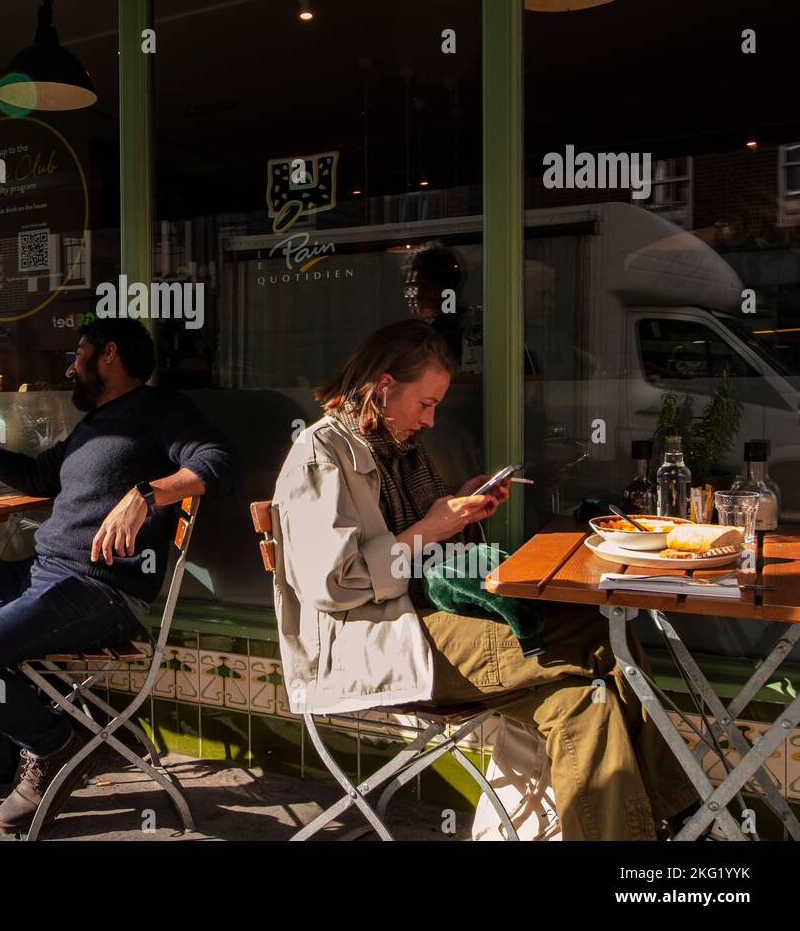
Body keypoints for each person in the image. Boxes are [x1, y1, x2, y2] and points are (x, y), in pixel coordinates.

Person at [270, 319, 698, 840]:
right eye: (425, 404)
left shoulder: (399, 448)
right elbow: (332, 584)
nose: (430, 420)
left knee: (585, 701)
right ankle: (686, 814)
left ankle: (669, 823)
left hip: (424, 617)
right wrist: (431, 527)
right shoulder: (320, 453)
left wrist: (461, 514)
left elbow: (424, 554)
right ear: (383, 387)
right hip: (368, 636)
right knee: (594, 634)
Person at [0, 317, 238, 835]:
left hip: (103, 590)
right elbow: (36, 476)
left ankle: (56, 747)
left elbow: (220, 463)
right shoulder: (95, 423)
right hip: (44, 574)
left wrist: (146, 494)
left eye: (79, 354)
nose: (70, 366)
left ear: (110, 355)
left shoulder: (159, 411)